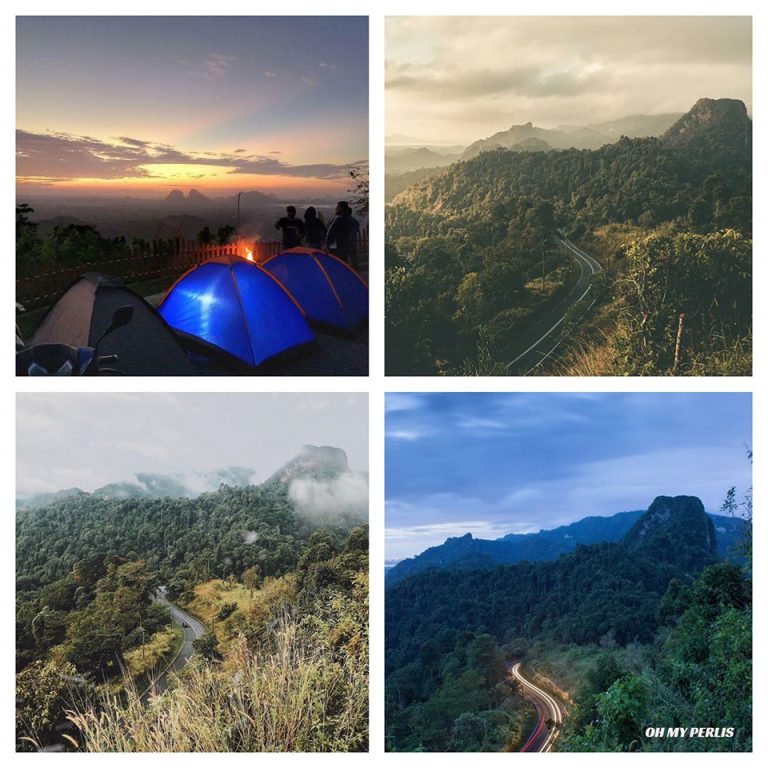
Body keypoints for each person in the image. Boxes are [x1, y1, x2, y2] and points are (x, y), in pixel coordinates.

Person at [325, 201, 361, 270]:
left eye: (337, 207)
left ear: (341, 209)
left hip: (337, 247)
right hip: (347, 246)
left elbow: (331, 233)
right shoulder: (351, 220)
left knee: (337, 265)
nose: (336, 208)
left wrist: (327, 244)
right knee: (345, 264)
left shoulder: (338, 220)